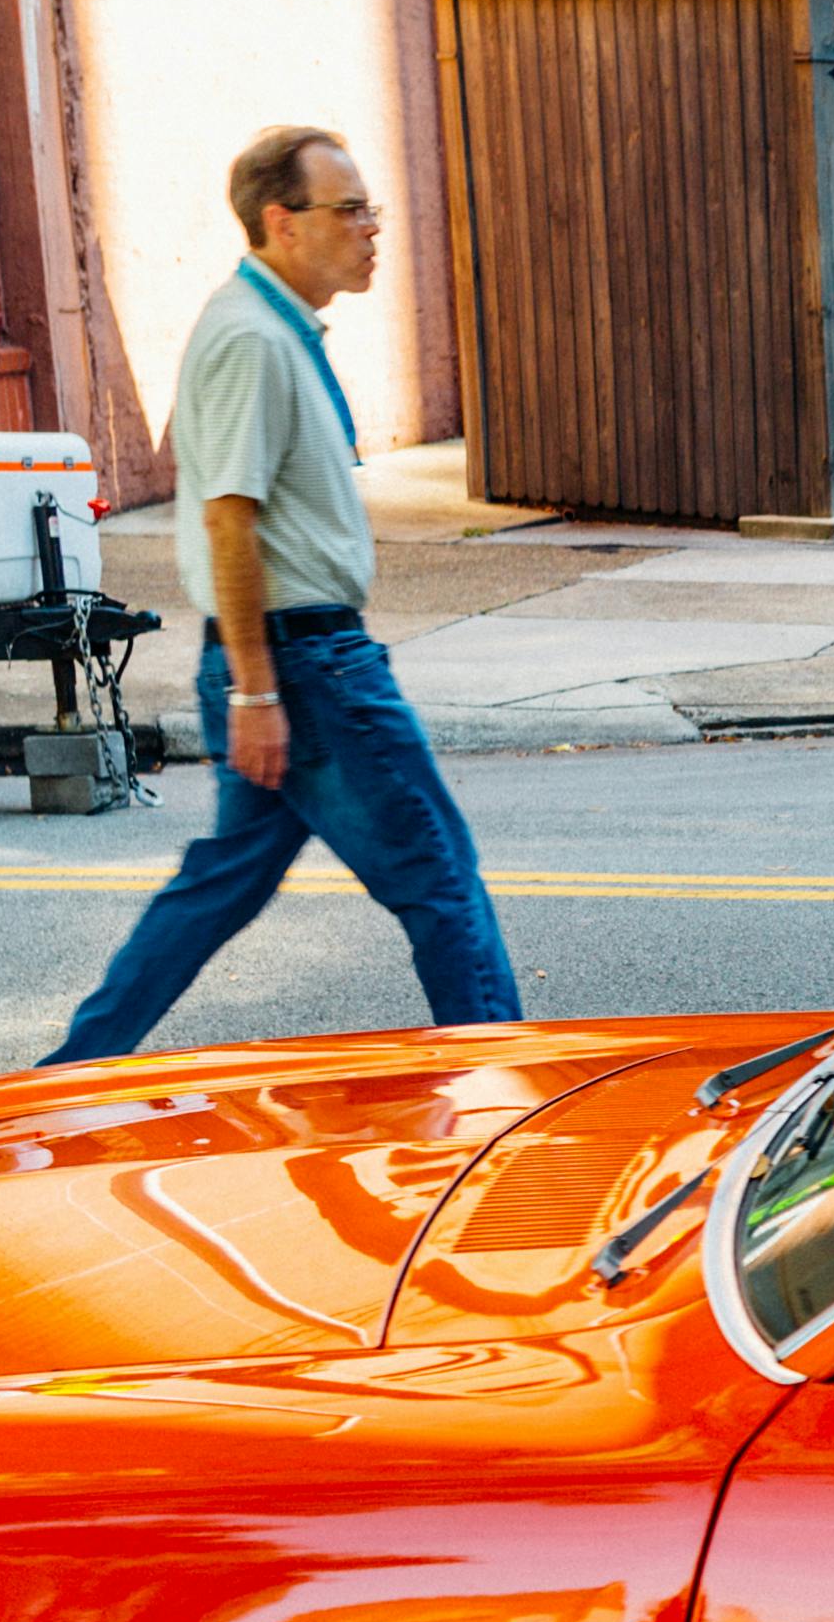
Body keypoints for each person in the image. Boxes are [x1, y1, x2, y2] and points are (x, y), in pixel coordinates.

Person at [46, 125, 521, 1062]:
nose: (371, 227)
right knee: (439, 875)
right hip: (306, 666)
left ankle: (72, 1070)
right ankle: (511, 1086)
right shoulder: (251, 339)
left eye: (368, 207)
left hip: (294, 661)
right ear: (281, 221)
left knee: (223, 883)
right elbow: (230, 518)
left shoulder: (277, 330)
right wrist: (259, 691)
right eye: (349, 210)